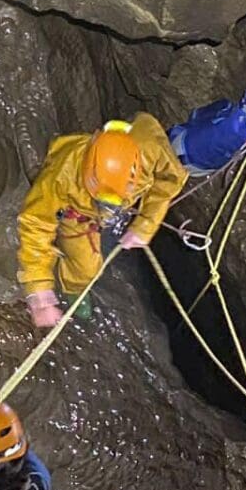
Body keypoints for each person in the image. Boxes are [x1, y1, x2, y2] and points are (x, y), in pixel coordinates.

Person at [17, 115, 188, 331]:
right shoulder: (63, 175)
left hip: (102, 207)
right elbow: (35, 225)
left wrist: (145, 223)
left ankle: (78, 284)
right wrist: (40, 293)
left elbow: (170, 178)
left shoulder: (148, 147)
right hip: (78, 214)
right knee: (86, 268)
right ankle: (75, 290)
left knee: (98, 251)